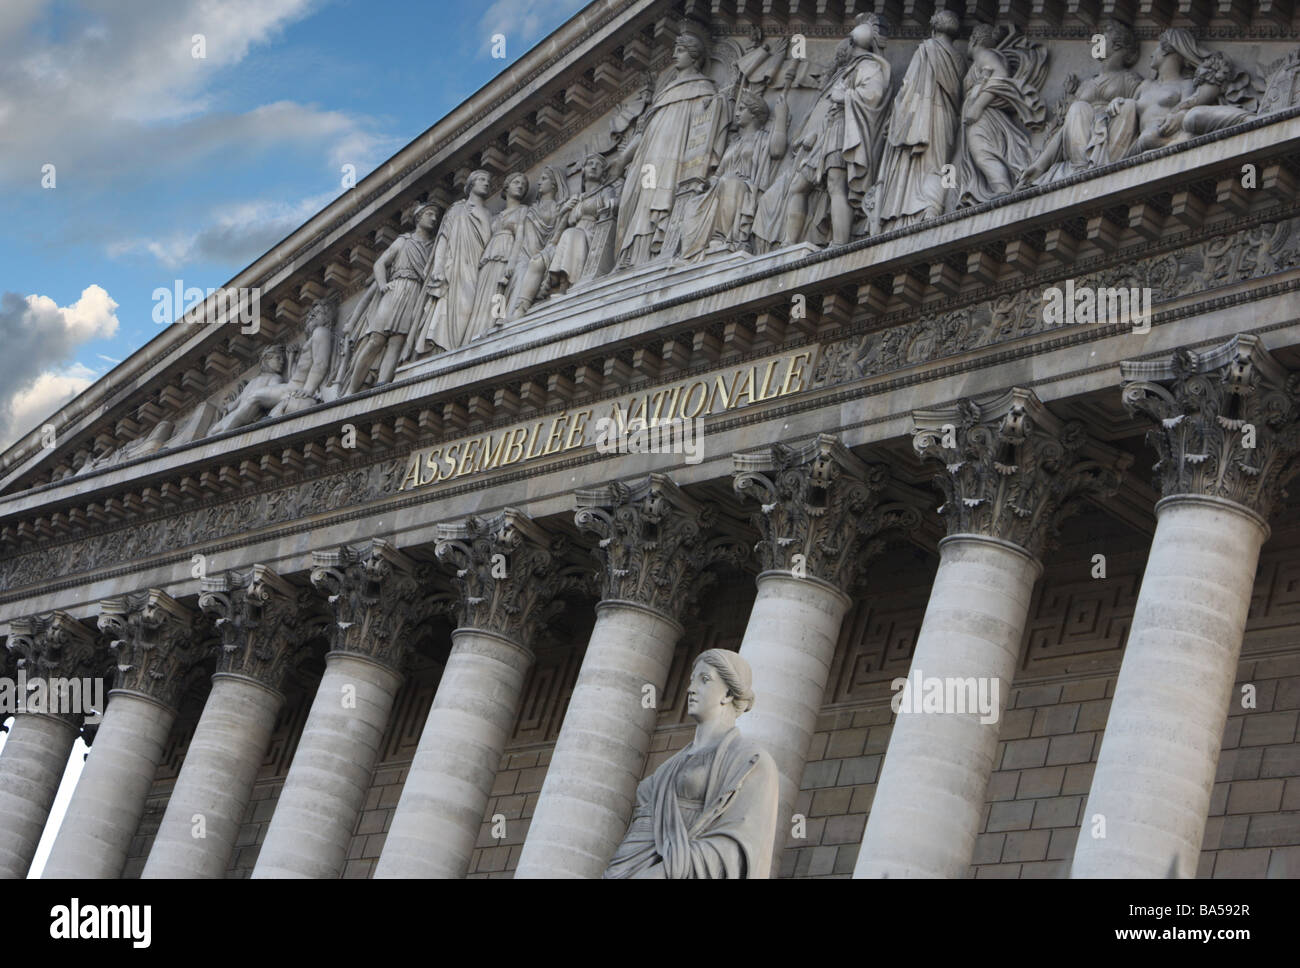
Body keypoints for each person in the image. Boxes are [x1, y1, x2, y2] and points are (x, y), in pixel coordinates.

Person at [604, 648, 779, 879]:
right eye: (691, 680)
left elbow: (737, 848)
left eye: (704, 679)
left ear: (727, 693)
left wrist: (662, 873)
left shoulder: (751, 761)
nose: (690, 689)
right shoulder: (668, 767)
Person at [761, 13, 890, 249]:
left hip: (844, 131)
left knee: (835, 184)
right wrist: (813, 134)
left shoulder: (869, 66)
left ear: (851, 45)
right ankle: (788, 244)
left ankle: (839, 244)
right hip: (827, 132)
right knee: (798, 185)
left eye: (846, 42)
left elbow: (874, 96)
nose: (840, 48)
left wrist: (846, 96)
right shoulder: (847, 71)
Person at [613, 33, 727, 267]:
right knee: (641, 199)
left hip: (674, 157)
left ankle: (656, 248)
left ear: (694, 56)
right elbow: (645, 132)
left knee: (660, 197)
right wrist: (624, 157)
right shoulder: (664, 94)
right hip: (649, 156)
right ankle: (634, 256)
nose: (674, 54)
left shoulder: (703, 89)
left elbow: (703, 131)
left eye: (681, 50)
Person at [1017, 20, 1143, 186]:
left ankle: (1100, 166)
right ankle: (1081, 169)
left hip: (1112, 142)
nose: (1094, 42)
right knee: (1078, 107)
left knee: (1129, 106)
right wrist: (1040, 165)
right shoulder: (1086, 85)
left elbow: (1141, 110)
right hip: (1081, 146)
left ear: (1117, 45)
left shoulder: (1129, 80)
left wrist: (1123, 102)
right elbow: (1064, 131)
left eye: (1102, 38)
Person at [873, 10, 964, 232]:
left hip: (921, 117)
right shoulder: (960, 60)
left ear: (933, 28)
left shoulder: (926, 49)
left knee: (920, 164)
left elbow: (909, 88)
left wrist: (896, 119)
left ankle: (910, 213)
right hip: (947, 120)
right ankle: (933, 208)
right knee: (938, 164)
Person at [678, 88, 788, 260]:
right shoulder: (733, 143)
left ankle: (721, 238)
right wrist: (706, 183)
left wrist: (781, 118)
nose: (737, 113)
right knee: (693, 203)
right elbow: (718, 174)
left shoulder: (762, 138)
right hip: (721, 187)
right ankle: (693, 251)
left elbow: (777, 150)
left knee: (729, 183)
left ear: (753, 114)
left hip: (746, 189)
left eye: (742, 109)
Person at [340, 203, 438, 394]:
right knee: (376, 339)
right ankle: (351, 389)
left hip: (415, 291)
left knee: (397, 341)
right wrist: (384, 284)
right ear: (418, 218)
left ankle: (383, 385)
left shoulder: (432, 246)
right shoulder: (404, 241)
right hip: (396, 288)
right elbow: (379, 264)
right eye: (429, 214)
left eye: (435, 215)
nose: (433, 218)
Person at [954, 25, 1046, 206]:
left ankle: (1002, 189)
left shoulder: (984, 55)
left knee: (983, 152)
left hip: (983, 115)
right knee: (986, 152)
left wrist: (978, 107)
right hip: (980, 114)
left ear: (973, 40)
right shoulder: (984, 58)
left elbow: (1001, 75)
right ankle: (1000, 187)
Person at [411, 170, 494, 355]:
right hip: (454, 264)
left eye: (488, 181)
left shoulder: (488, 214)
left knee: (468, 306)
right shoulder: (457, 209)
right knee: (449, 305)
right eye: (481, 179)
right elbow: (443, 238)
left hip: (475, 265)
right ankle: (442, 349)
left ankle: (458, 348)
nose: (486, 183)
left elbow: (488, 240)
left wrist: (481, 219)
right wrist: (438, 266)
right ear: (471, 184)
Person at [467, 171, 531, 338]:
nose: (520, 186)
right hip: (488, 257)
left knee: (497, 293)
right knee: (483, 296)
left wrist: (512, 262)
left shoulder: (523, 210)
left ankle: (492, 327)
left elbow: (520, 237)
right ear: (506, 186)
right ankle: (476, 332)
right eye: (516, 182)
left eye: (523, 185)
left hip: (505, 254)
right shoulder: (495, 216)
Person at [502, 165, 569, 321]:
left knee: (526, 270)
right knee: (520, 271)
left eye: (544, 179)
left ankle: (515, 315)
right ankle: (506, 316)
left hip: (543, 254)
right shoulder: (529, 209)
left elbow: (556, 238)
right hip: (523, 254)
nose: (538, 182)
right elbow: (519, 236)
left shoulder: (559, 207)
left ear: (554, 184)